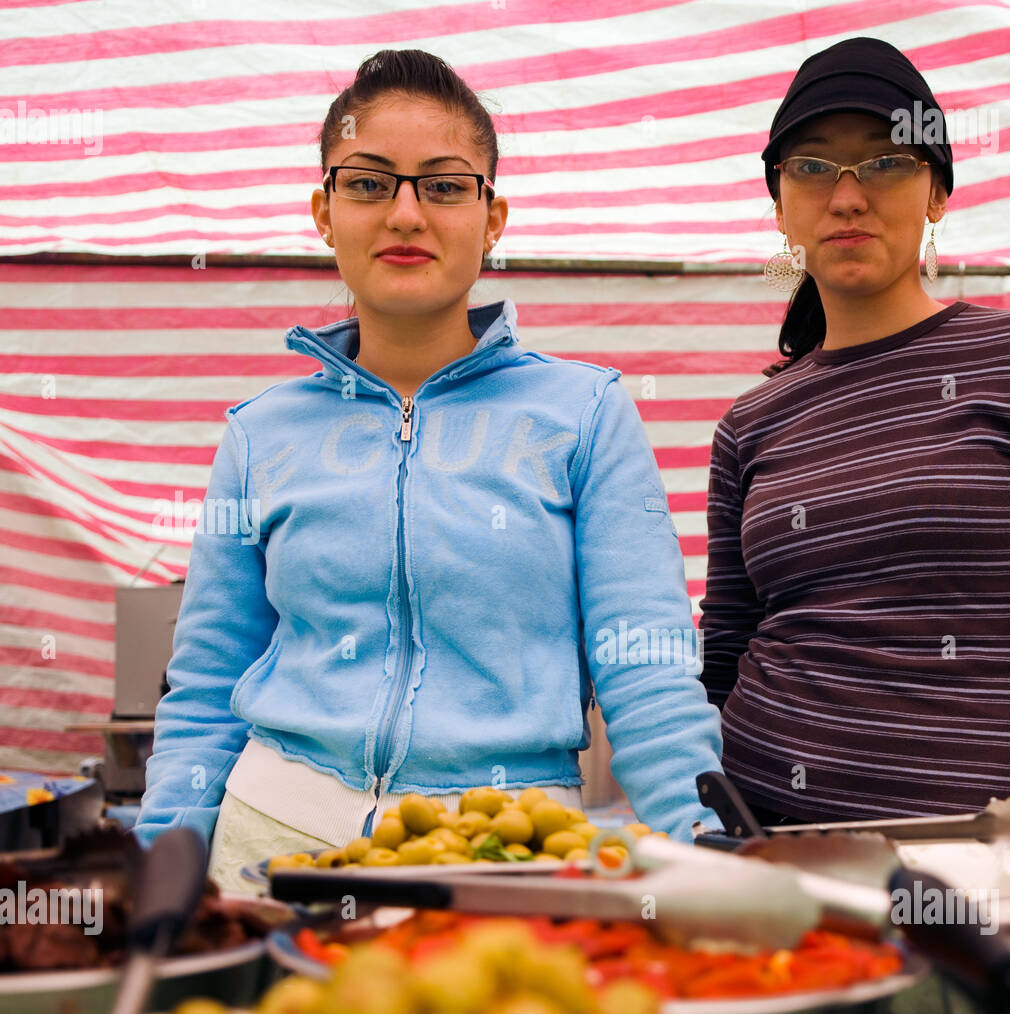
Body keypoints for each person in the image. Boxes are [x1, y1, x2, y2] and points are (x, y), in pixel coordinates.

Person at [135, 48, 722, 889]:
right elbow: (206, 681)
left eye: (444, 185)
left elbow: (646, 660)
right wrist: (167, 862)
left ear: (492, 219)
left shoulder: (585, 414)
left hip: (513, 847)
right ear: (324, 212)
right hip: (270, 842)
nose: (406, 212)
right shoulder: (260, 434)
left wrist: (693, 842)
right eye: (370, 183)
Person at [699, 37, 1010, 843]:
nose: (846, 197)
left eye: (885, 162)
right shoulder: (749, 425)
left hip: (956, 855)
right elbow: (724, 660)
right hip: (758, 840)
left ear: (937, 189)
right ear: (779, 206)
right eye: (812, 167)